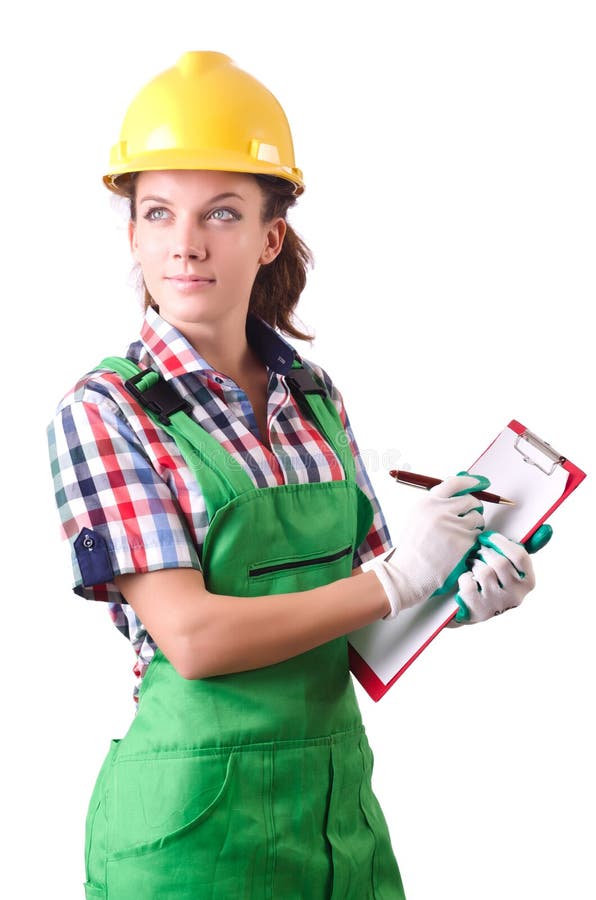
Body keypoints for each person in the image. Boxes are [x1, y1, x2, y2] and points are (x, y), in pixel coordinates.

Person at [47, 51, 538, 900]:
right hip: (192, 838)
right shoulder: (105, 411)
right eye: (158, 213)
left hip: (334, 820)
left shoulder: (312, 398)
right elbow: (194, 640)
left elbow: (357, 623)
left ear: (270, 237)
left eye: (222, 213)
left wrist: (451, 593)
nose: (185, 244)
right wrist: (397, 581)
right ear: (132, 234)